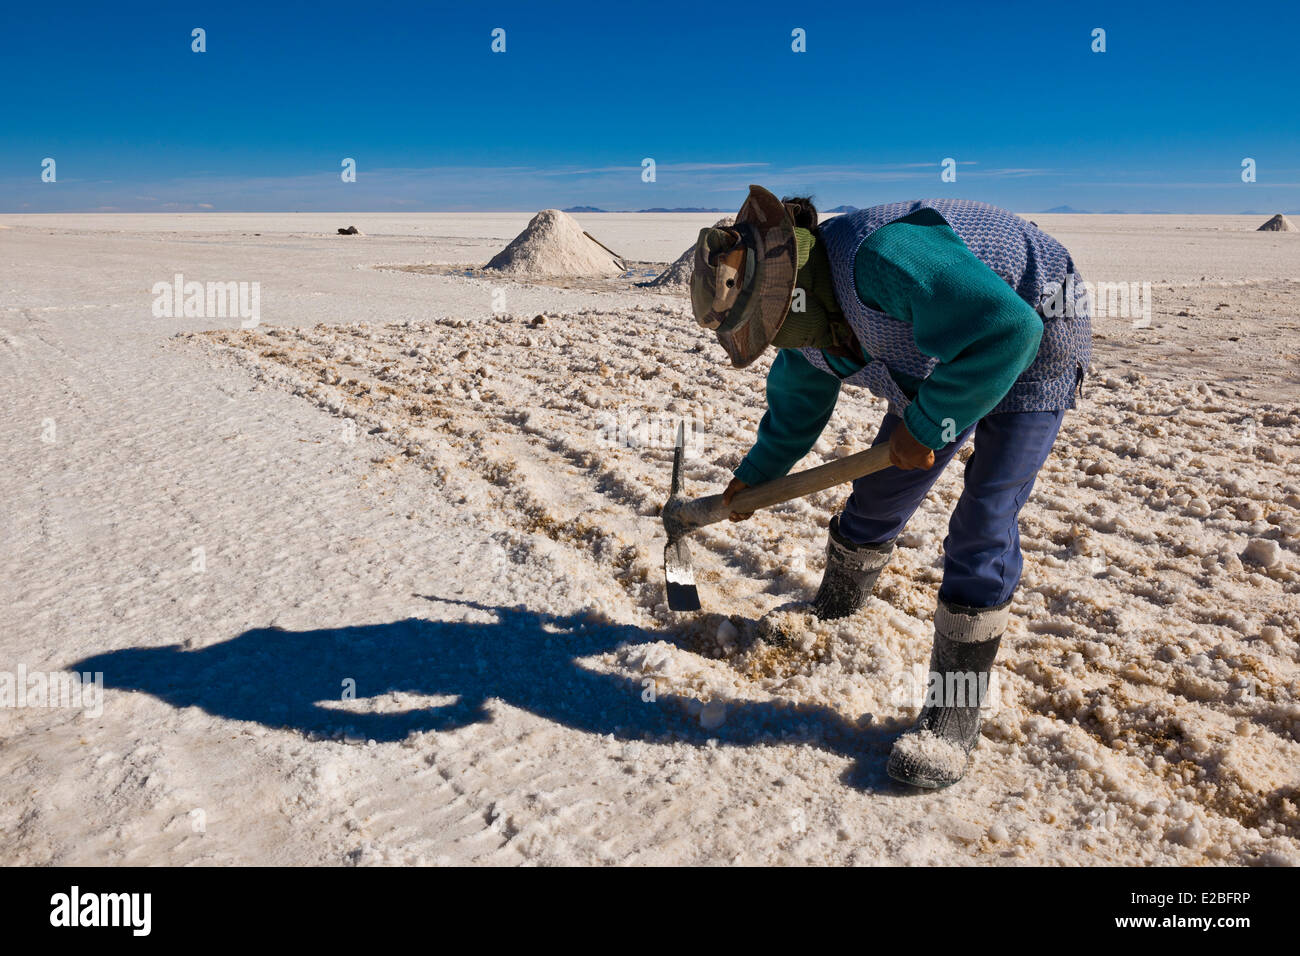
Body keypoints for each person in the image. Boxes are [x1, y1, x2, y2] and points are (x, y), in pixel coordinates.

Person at [689, 185, 1092, 788]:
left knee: (982, 524)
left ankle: (953, 714)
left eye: (769, 327)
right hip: (946, 345)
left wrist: (930, 425)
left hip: (1033, 329)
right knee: (878, 495)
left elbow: (1011, 332)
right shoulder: (805, 330)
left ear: (786, 293)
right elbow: (797, 404)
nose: (773, 340)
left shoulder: (881, 259)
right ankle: (834, 605)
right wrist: (755, 477)